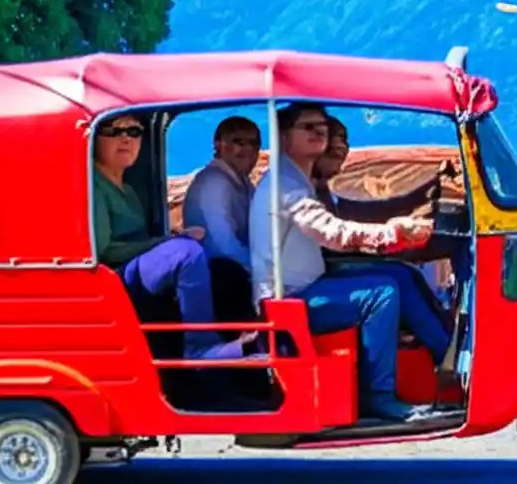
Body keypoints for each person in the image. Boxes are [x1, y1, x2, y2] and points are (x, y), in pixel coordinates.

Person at [248, 103, 435, 422]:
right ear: (282, 136)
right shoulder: (286, 184)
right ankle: (379, 396)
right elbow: (331, 231)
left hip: (303, 287)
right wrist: (392, 233)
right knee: (382, 293)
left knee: (395, 274)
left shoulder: (294, 178)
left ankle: (443, 357)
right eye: (307, 127)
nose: (319, 131)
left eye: (322, 126)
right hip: (289, 300)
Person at [92, 113, 249, 361]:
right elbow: (104, 251)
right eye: (113, 131)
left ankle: (248, 341)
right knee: (185, 254)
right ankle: (199, 347)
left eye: (134, 132)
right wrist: (166, 243)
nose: (125, 139)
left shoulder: (128, 189)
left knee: (221, 267)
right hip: (112, 279)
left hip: (137, 269)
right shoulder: (95, 187)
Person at [313, 115, 454, 365]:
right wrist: (392, 233)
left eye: (343, 143)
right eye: (332, 146)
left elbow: (370, 211)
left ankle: (445, 339)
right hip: (322, 271)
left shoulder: (322, 188)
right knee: (399, 276)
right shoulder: (305, 189)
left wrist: (423, 193)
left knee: (405, 271)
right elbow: (336, 233)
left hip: (329, 262)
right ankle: (444, 353)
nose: (340, 151)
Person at [182, 115, 262, 322]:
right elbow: (222, 243)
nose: (247, 150)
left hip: (236, 274)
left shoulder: (243, 184)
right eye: (239, 142)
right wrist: (262, 271)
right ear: (218, 145)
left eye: (254, 144)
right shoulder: (214, 183)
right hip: (220, 281)